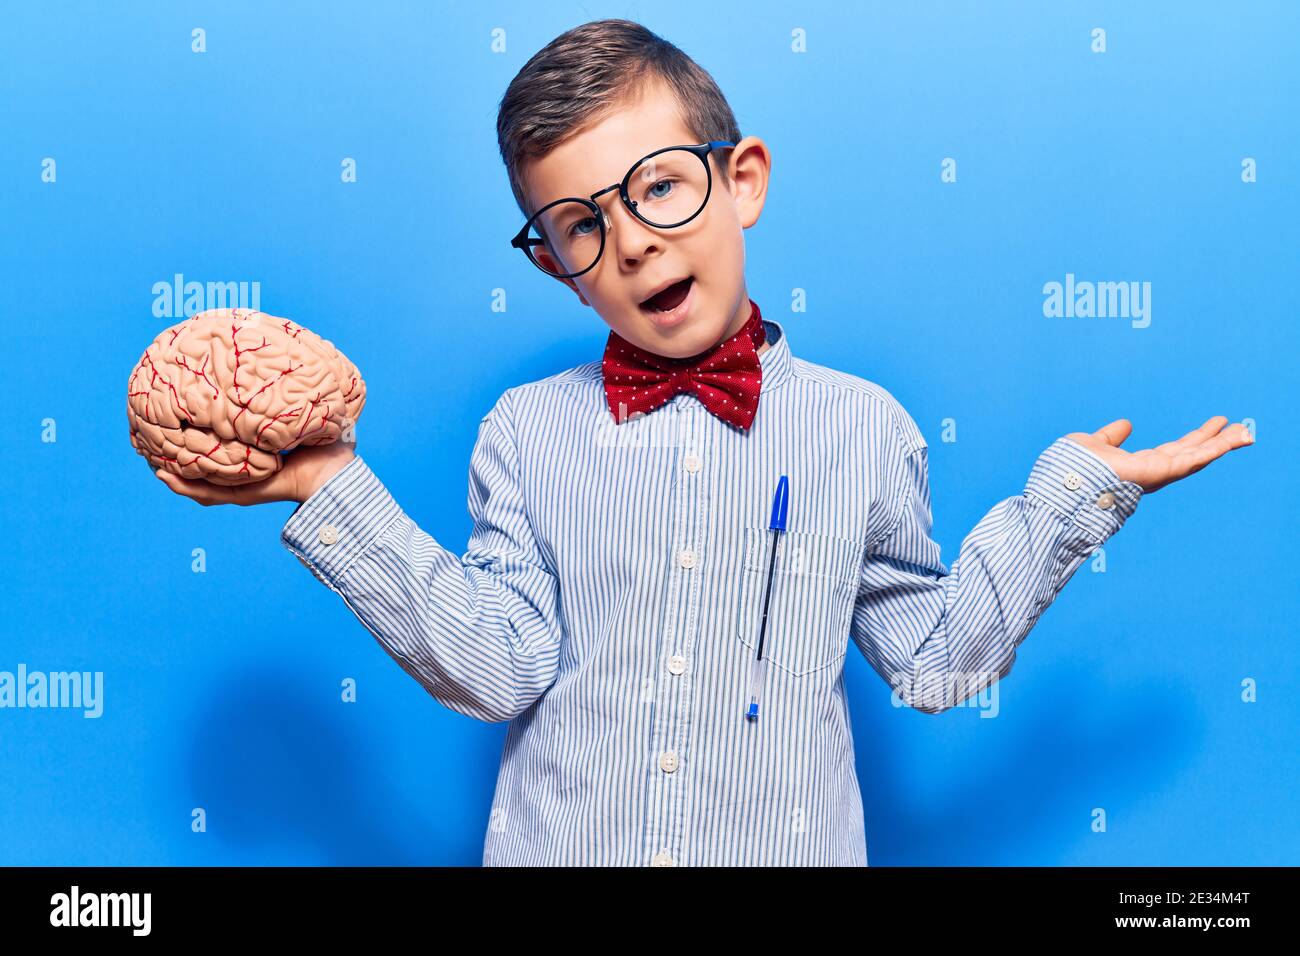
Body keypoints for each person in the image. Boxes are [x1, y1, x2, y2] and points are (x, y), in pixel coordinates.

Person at [156, 19, 1253, 866]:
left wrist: (1072, 498)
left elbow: (935, 661)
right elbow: (495, 668)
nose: (630, 241)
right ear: (553, 261)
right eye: (580, 224)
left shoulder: (861, 426)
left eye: (660, 188)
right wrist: (333, 485)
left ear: (743, 180)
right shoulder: (523, 432)